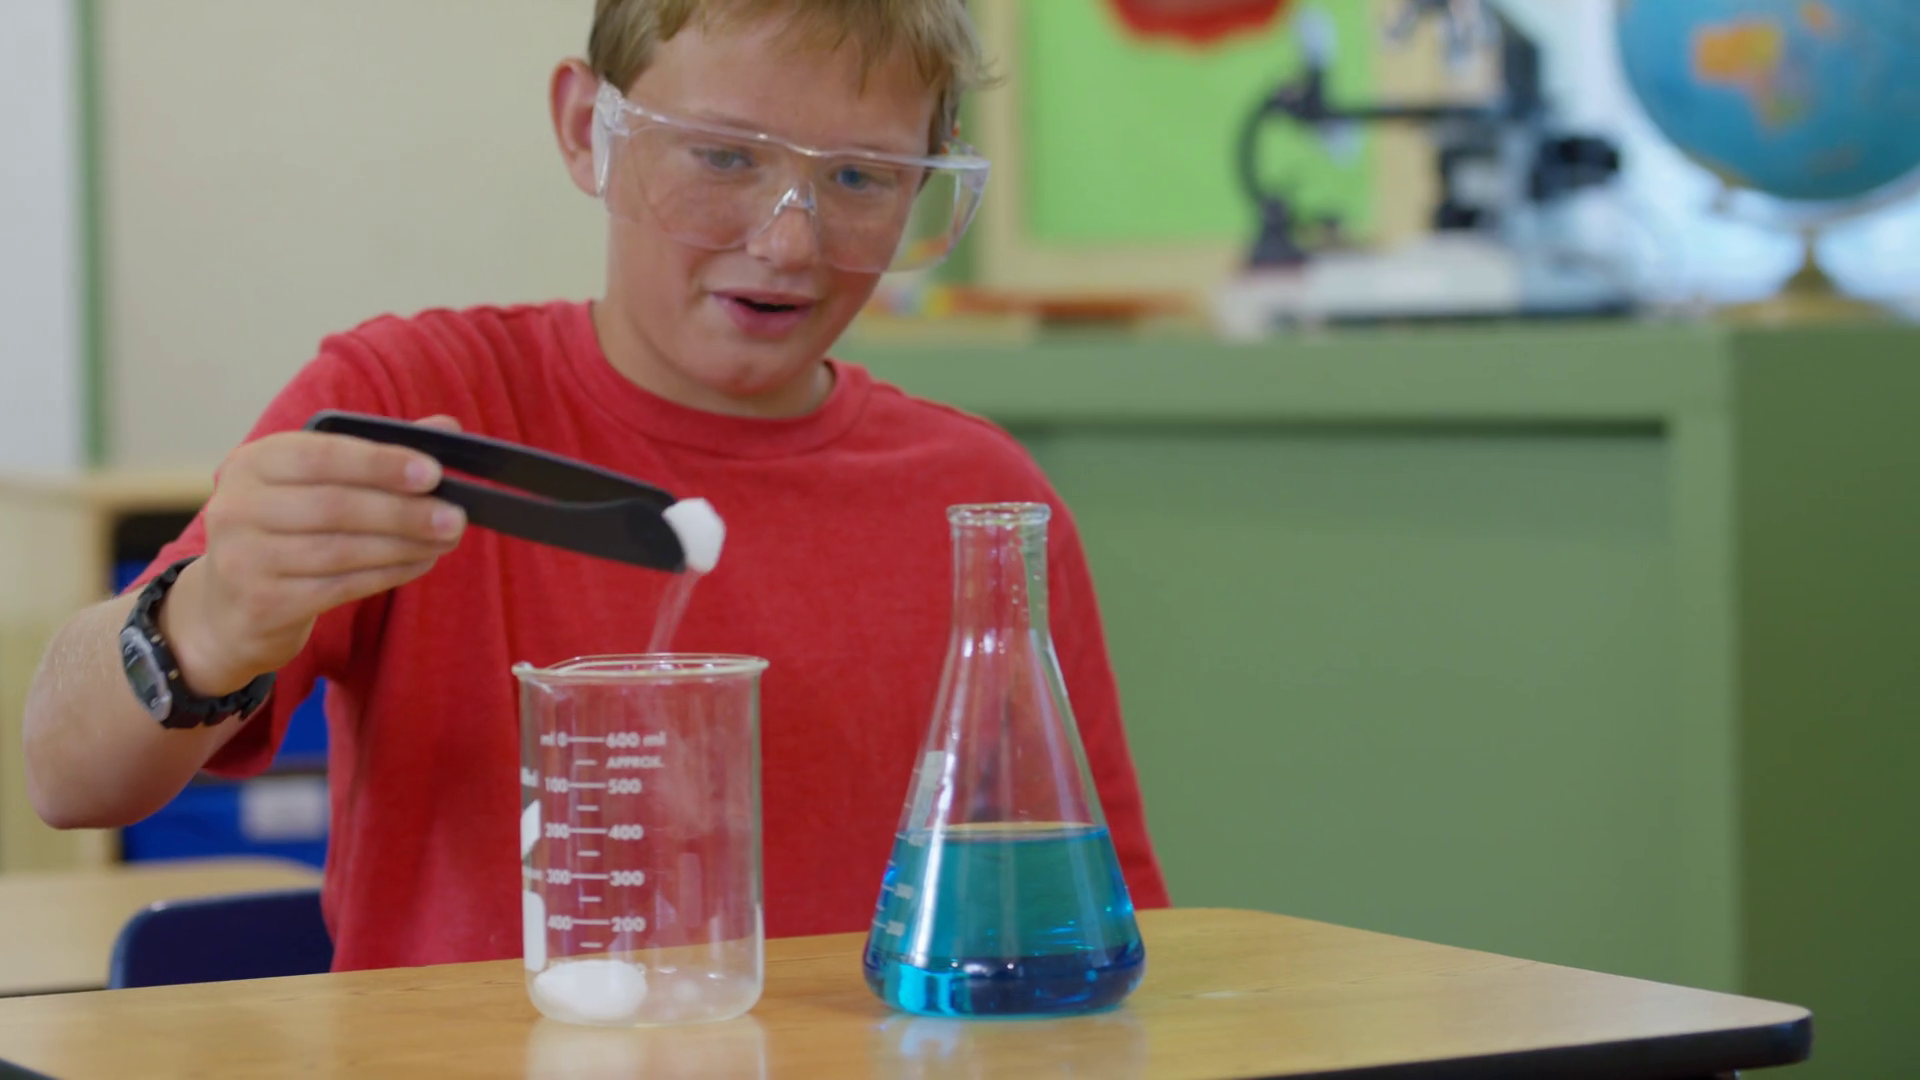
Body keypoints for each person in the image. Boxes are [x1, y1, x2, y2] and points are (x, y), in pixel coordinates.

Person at [21, 0, 1170, 972]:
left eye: (864, 178)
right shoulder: (422, 402)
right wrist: (214, 618)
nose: (786, 243)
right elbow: (67, 774)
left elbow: (1097, 927)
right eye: (724, 158)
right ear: (589, 130)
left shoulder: (974, 502)